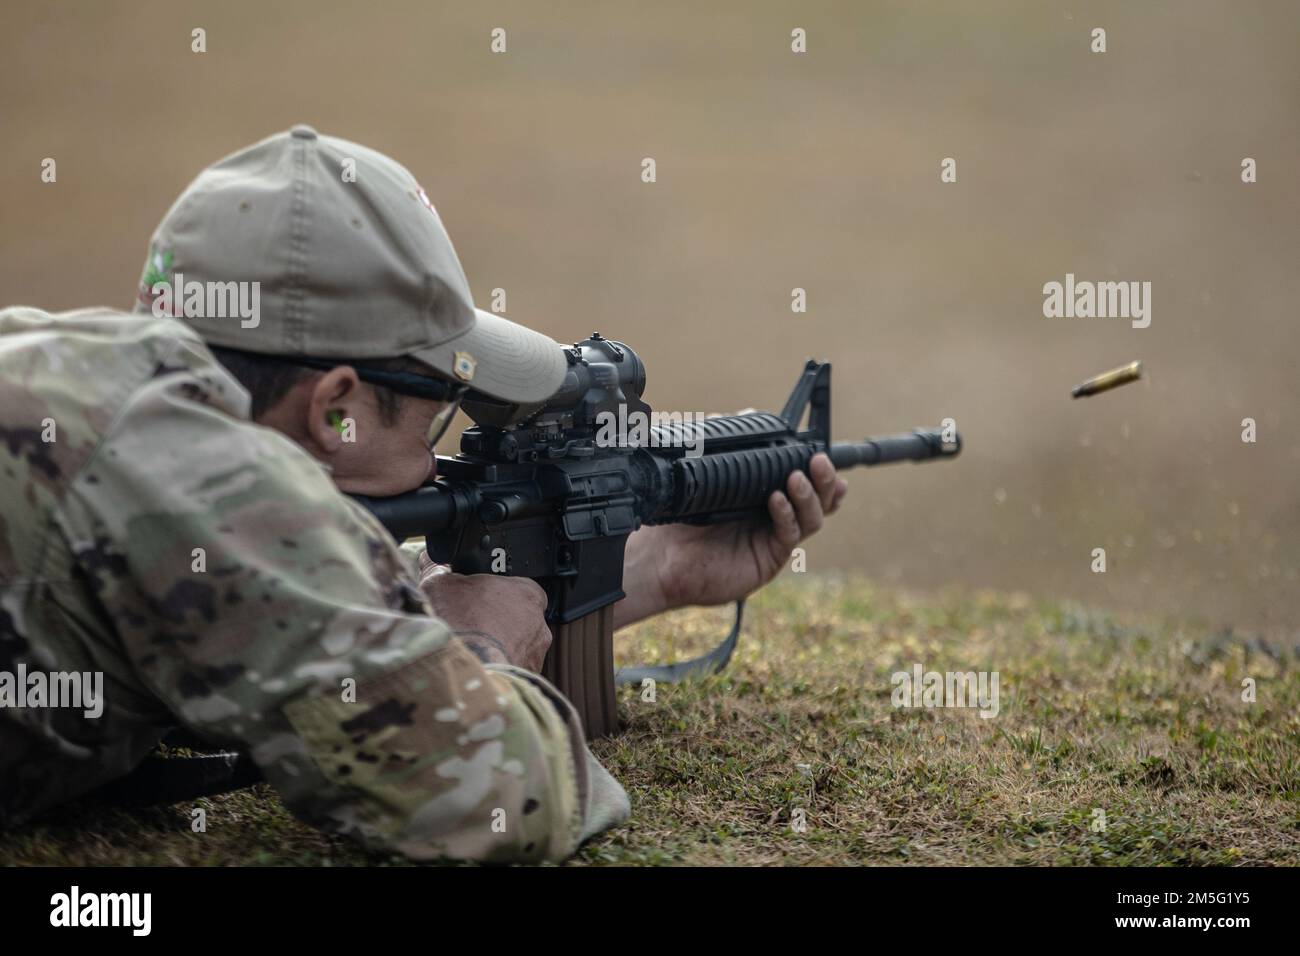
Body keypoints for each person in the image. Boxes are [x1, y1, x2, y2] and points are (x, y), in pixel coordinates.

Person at [0, 125, 846, 862]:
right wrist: (481, 650)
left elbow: (244, 627)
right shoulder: (216, 485)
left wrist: (655, 569)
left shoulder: (74, 369)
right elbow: (498, 798)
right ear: (336, 410)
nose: (438, 460)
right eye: (440, 418)